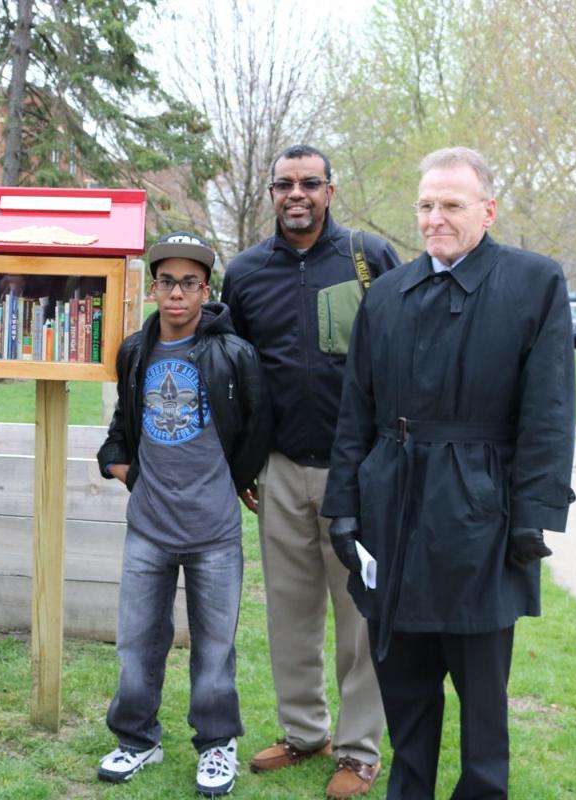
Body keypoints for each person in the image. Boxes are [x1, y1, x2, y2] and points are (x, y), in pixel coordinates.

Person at [322, 146, 576, 798]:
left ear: (487, 210)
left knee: (482, 701)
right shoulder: (387, 297)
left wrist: (534, 516)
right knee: (405, 689)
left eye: (452, 205)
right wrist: (344, 507)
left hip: (481, 518)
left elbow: (548, 411)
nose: (435, 217)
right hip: (393, 510)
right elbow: (357, 412)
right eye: (426, 205)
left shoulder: (533, 283)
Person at [220, 144, 401, 797]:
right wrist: (243, 460)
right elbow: (233, 374)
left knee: (360, 616)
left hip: (360, 471)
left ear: (330, 190)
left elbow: (400, 357)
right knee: (290, 612)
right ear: (271, 194)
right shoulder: (244, 273)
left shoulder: (368, 259)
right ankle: (304, 733)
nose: (296, 194)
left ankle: (358, 751)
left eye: (309, 183)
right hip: (278, 468)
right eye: (284, 184)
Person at [95, 233, 272, 796]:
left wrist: (233, 481)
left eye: (189, 282)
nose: (177, 292)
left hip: (215, 531)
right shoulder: (135, 351)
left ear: (205, 289)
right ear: (153, 288)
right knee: (138, 641)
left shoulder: (234, 353)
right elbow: (122, 428)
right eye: (167, 281)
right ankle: (136, 739)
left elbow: (256, 426)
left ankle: (217, 745)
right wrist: (124, 471)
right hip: (149, 526)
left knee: (215, 645)